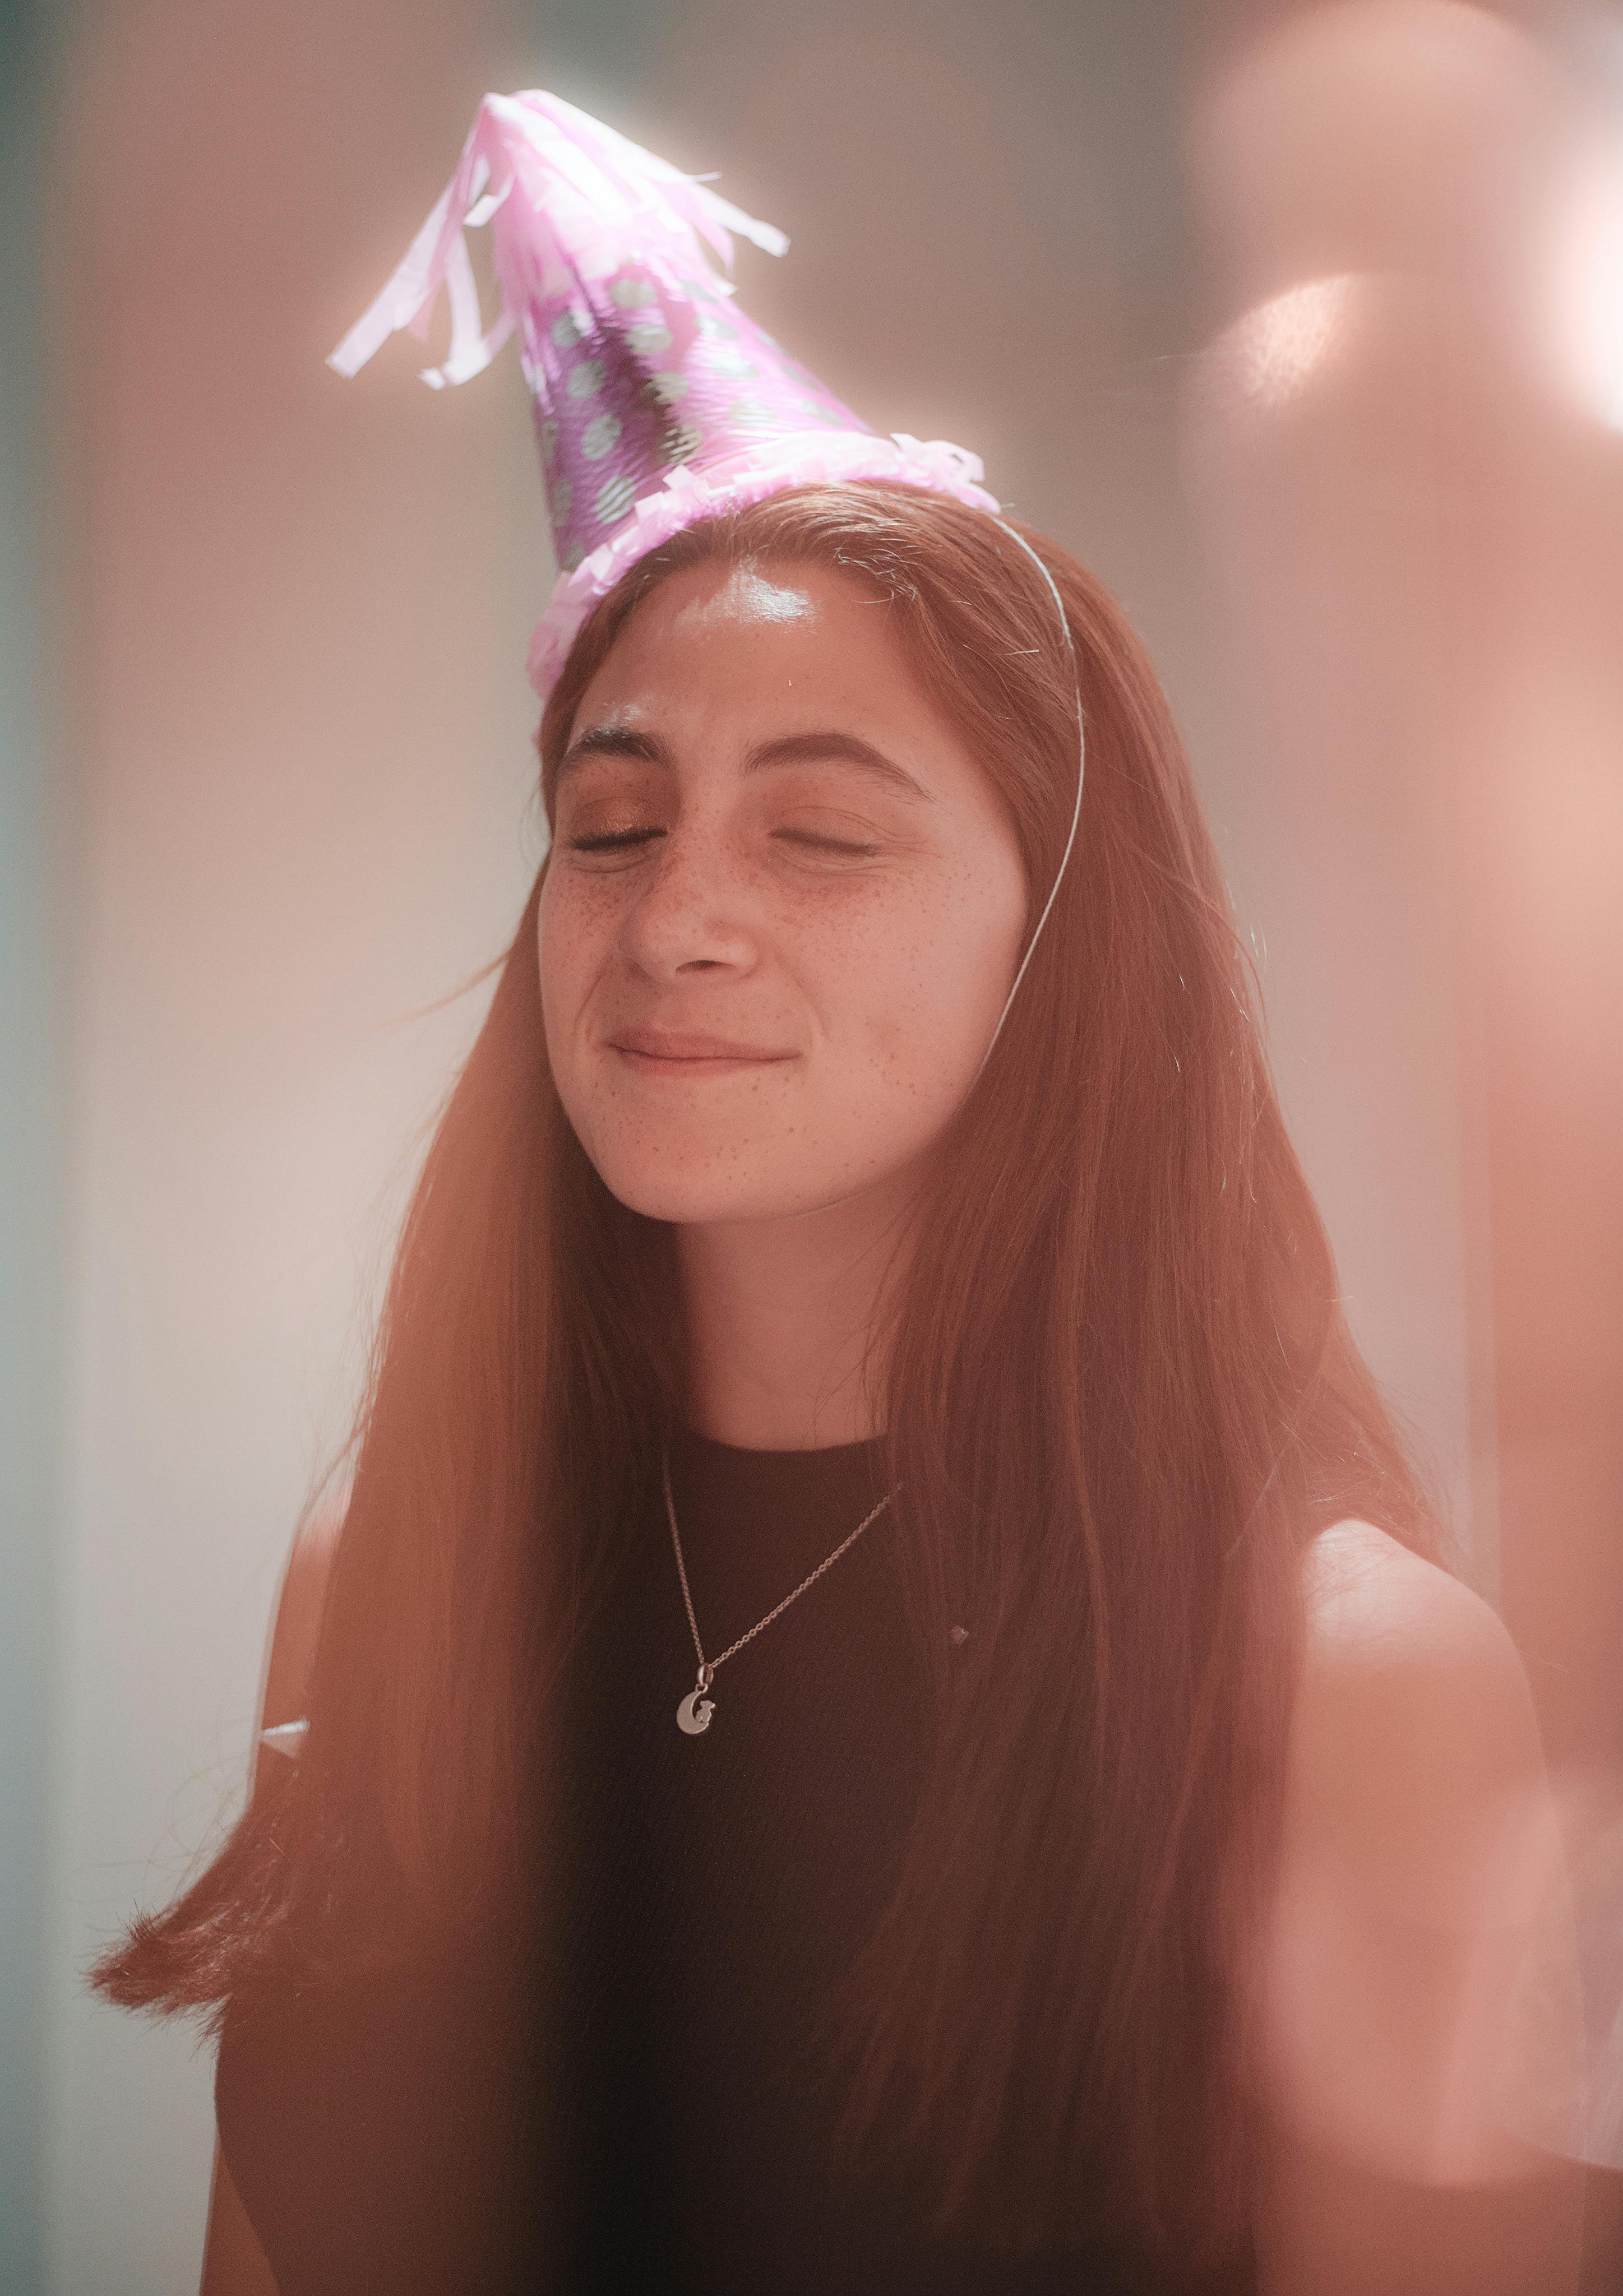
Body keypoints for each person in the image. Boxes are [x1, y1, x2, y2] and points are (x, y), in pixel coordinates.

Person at [94, 90, 1580, 2295]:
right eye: (612, 822)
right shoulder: (393, 1560)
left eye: (820, 829)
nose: (675, 915)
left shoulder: (1340, 1679)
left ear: (1057, 938)